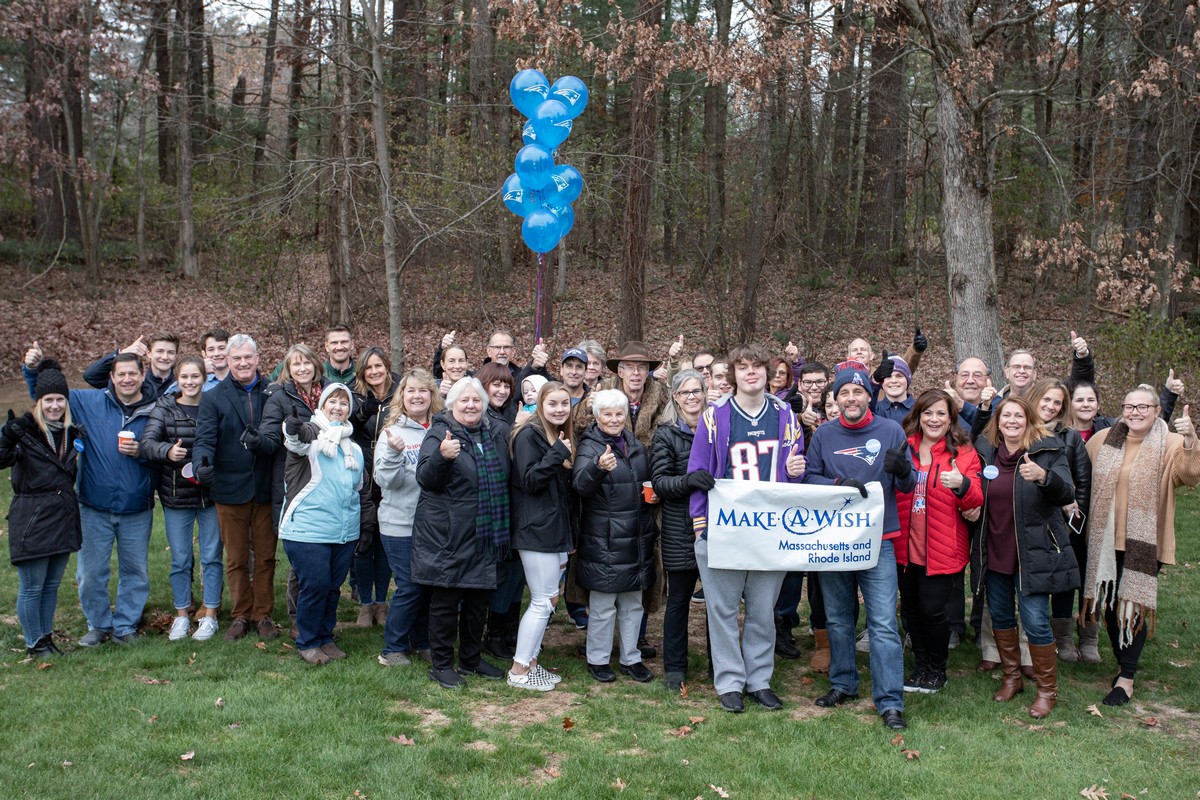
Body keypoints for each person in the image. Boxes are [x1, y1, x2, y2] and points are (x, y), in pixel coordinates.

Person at [687, 344, 807, 713]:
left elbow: (794, 472)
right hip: (725, 526)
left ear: (768, 374)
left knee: (761, 609)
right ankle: (729, 682)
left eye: (757, 366)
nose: (751, 373)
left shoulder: (786, 415)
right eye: (743, 367)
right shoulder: (715, 416)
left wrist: (795, 472)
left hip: (769, 528)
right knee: (721, 610)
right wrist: (700, 523)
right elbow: (697, 472)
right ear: (733, 375)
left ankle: (758, 679)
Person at [803, 366, 917, 730]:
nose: (851, 398)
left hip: (878, 540)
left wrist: (902, 470)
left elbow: (908, 485)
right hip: (834, 540)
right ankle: (844, 683)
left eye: (857, 392)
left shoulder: (891, 430)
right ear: (835, 399)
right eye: (844, 393)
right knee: (838, 617)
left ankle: (890, 701)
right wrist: (838, 482)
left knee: (882, 622)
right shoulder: (824, 434)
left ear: (870, 395)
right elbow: (809, 476)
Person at [1083, 388, 1200, 706]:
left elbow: (1191, 476)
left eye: (1142, 406)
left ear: (1157, 409)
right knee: (1110, 608)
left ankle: (1126, 678)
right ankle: (1124, 664)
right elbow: (1082, 477)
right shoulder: (1103, 439)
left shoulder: (1170, 443)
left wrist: (1190, 440)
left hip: (1144, 541)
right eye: (1129, 406)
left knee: (1131, 606)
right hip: (1105, 541)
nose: (1135, 411)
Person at [39, 349, 158, 646]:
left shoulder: (158, 409)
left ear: (143, 375)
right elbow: (46, 396)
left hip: (137, 506)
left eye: (133, 373)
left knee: (136, 571)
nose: (127, 379)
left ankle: (126, 625)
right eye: (121, 374)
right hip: (93, 504)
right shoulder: (89, 402)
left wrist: (141, 452)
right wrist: (32, 370)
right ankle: (99, 624)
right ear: (112, 377)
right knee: (90, 573)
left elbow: (164, 452)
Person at [972, 395, 1077, 719]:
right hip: (995, 549)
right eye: (1006, 416)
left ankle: (1047, 691)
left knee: (1034, 621)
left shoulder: (1047, 451)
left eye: (1018, 416)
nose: (1012, 421)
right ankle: (1011, 678)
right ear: (998, 421)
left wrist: (1044, 478)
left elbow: (1067, 493)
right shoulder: (985, 449)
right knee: (1001, 617)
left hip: (1032, 553)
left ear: (1028, 419)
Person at [412, 377, 512, 688]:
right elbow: (425, 478)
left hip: (485, 534)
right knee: (445, 603)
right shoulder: (440, 433)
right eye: (464, 400)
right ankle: (441, 664)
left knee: (477, 601)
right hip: (449, 536)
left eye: (476, 400)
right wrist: (442, 456)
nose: (471, 405)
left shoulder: (494, 434)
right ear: (452, 404)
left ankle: (470, 658)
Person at [894, 389, 983, 693]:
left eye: (941, 413)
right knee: (911, 610)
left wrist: (963, 484)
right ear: (917, 416)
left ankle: (937, 668)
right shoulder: (903, 447)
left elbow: (976, 499)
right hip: (905, 546)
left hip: (942, 547)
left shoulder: (963, 452)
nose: (933, 419)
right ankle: (919, 666)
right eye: (927, 413)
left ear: (950, 419)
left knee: (933, 611)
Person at [192, 333, 279, 642]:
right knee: (237, 558)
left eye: (248, 357)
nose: (243, 363)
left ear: (257, 359)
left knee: (267, 557)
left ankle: (263, 613)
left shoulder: (273, 392)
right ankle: (241, 614)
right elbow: (204, 438)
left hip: (266, 488)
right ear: (227, 361)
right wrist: (202, 463)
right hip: (230, 489)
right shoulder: (214, 397)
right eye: (237, 358)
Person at [278, 383, 374, 665]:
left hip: (343, 531)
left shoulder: (353, 450)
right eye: (332, 401)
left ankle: (324, 636)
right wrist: (292, 427)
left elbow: (361, 491)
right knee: (315, 585)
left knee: (332, 587)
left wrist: (365, 527)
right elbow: (294, 439)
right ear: (321, 406)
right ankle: (307, 641)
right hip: (307, 529)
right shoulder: (311, 438)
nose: (338, 407)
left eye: (344, 403)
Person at [574, 389, 659, 684]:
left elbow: (644, 481)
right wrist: (598, 468)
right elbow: (580, 485)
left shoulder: (635, 445)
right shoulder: (591, 445)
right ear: (597, 417)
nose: (613, 419)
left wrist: (653, 495)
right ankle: (597, 659)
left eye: (619, 413)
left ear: (626, 415)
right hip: (605, 539)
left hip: (636, 536)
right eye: (607, 414)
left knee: (634, 603)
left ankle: (631, 657)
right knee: (602, 606)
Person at [0, 360, 81, 656]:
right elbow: (2, 459)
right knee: (32, 586)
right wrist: (5, 438)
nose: (55, 405)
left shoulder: (71, 433)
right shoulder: (24, 430)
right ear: (39, 401)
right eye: (49, 399)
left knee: (51, 586)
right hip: (33, 518)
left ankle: (46, 637)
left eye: (60, 399)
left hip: (62, 517)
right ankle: (34, 642)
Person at [141, 355, 222, 642]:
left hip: (211, 495)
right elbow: (146, 443)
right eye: (184, 377)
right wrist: (166, 452)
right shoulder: (164, 408)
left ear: (204, 378)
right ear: (177, 378)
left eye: (195, 377)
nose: (190, 382)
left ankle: (210, 615)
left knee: (212, 556)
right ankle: (181, 615)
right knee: (180, 559)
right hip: (176, 495)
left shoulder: (214, 405)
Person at [507, 381, 576, 691]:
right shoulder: (528, 435)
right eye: (553, 404)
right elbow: (529, 480)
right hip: (535, 531)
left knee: (550, 598)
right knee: (542, 601)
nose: (560, 409)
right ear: (541, 406)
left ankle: (532, 663)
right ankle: (519, 670)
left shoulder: (558, 435)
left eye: (565, 404)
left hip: (555, 530)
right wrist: (557, 453)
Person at [374, 369, 442, 666]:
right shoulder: (393, 433)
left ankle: (422, 641)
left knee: (426, 585)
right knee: (410, 586)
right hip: (399, 523)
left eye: (423, 391)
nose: (417, 396)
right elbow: (384, 480)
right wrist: (392, 453)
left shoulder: (439, 430)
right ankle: (393, 648)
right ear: (402, 396)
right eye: (411, 390)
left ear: (432, 396)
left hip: (432, 525)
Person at [258, 343, 324, 639]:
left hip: (326, 480)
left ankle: (321, 615)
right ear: (288, 368)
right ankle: (298, 616)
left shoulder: (330, 393)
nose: (302, 368)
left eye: (307, 362)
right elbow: (270, 435)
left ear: (315, 365)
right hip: (295, 481)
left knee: (322, 551)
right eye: (296, 364)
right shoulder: (278, 396)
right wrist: (264, 440)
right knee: (301, 555)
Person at [1026, 377, 1094, 663]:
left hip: (1061, 523)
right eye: (1047, 399)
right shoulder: (1018, 428)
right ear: (1035, 397)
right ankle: (1036, 636)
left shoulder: (1070, 437)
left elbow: (1082, 481)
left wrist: (1073, 516)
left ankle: (1066, 637)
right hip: (1026, 518)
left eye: (1058, 402)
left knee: (1065, 579)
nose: (1051, 406)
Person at [651, 369, 709, 692]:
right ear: (675, 397)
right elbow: (659, 482)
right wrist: (688, 481)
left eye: (696, 391)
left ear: (704, 393)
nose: (691, 397)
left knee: (718, 603)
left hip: (717, 526)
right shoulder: (665, 435)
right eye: (685, 393)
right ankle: (675, 667)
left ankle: (721, 664)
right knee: (679, 602)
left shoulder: (716, 430)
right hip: (679, 527)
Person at [350, 346, 395, 628]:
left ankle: (382, 602)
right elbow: (345, 426)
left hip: (390, 475)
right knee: (364, 542)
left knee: (385, 542)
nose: (374, 371)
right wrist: (361, 414)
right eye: (369, 367)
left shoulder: (399, 394)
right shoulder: (353, 396)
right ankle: (365, 603)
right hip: (361, 474)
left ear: (387, 367)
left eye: (379, 366)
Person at [77, 332, 179, 400]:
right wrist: (122, 354)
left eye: (170, 352)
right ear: (149, 353)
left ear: (176, 355)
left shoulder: (182, 384)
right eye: (160, 351)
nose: (165, 357)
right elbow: (91, 377)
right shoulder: (132, 380)